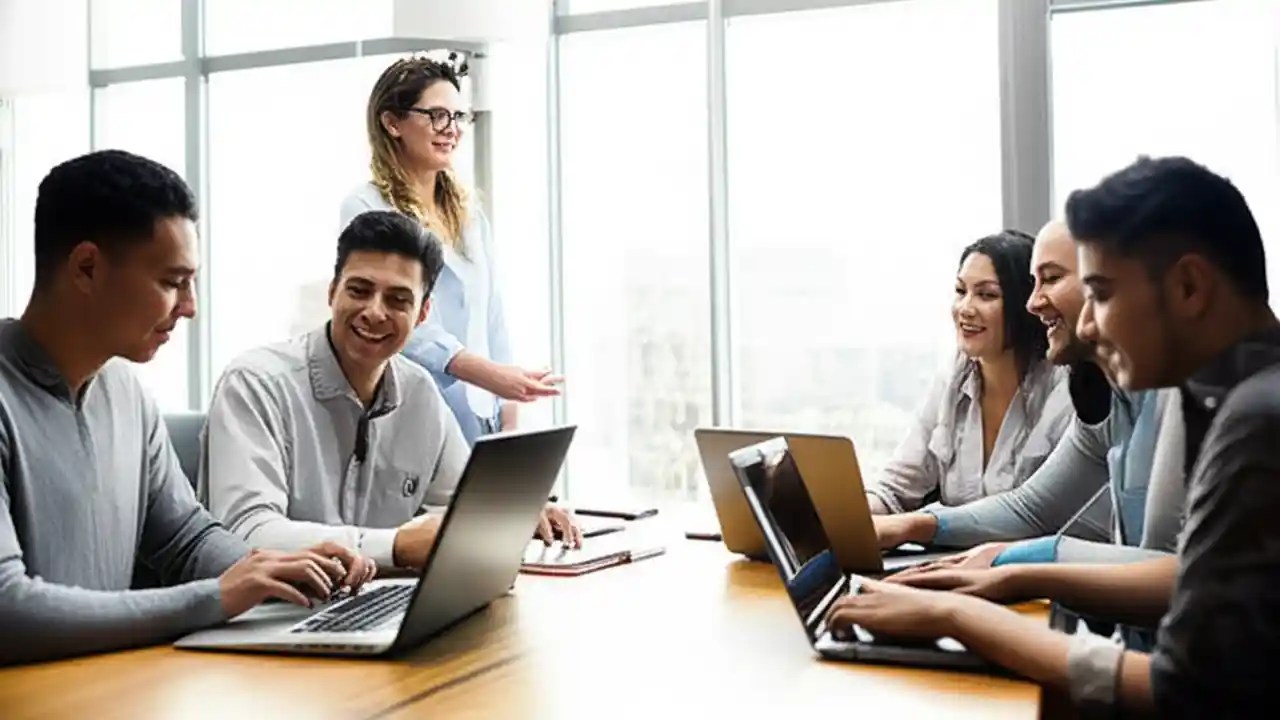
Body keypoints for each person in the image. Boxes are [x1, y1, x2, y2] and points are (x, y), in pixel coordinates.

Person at [827, 156, 1280, 718]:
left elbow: (1181, 688)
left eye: (1102, 293)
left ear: (1189, 287)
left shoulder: (1257, 419)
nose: (1089, 323)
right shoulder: (1224, 399)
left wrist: (961, 614)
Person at [0, 150, 375, 665]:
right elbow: (8, 611)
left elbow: (184, 537)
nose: (190, 305)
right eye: (172, 282)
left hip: (105, 690)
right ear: (86, 267)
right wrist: (217, 597)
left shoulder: (126, 392)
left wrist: (275, 568)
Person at [201, 210, 582, 570]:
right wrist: (395, 547)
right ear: (332, 292)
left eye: (398, 300)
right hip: (264, 616)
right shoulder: (256, 384)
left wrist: (511, 516)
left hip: (369, 609)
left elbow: (458, 510)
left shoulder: (420, 393)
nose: (374, 312)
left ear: (422, 313)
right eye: (359, 290)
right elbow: (246, 533)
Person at [872, 220, 1186, 572]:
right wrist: (916, 525)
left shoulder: (1181, 391)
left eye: (1051, 279)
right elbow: (1032, 507)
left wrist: (1011, 561)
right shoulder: (1109, 400)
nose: (1033, 304)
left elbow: (1169, 565)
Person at [339, 54, 558, 446]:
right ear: (392, 123)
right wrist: (482, 372)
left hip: (483, 414)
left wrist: (509, 418)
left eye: (458, 117)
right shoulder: (366, 207)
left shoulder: (469, 213)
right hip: (413, 414)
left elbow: (494, 318)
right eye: (437, 115)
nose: (451, 130)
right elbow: (393, 318)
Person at [865, 230, 1071, 514]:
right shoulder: (953, 375)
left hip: (1033, 557)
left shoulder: (1064, 388)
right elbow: (895, 489)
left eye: (986, 295)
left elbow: (1040, 515)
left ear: (1026, 303)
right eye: (961, 291)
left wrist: (923, 527)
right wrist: (846, 518)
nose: (965, 308)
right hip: (956, 556)